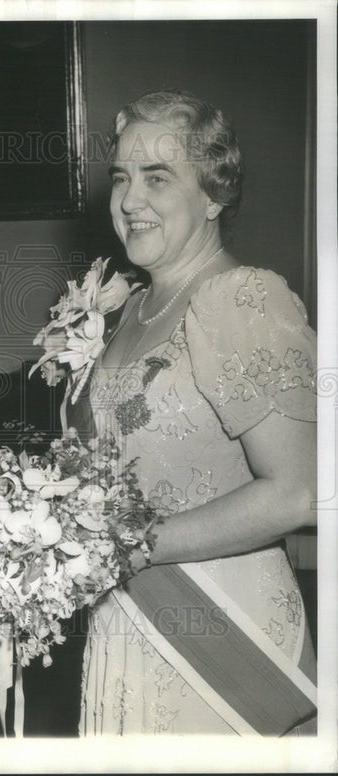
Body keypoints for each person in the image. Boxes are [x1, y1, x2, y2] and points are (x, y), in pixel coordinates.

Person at [70, 90, 317, 735]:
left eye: (158, 177)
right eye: (121, 177)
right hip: (128, 615)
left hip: (222, 634)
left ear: (214, 194)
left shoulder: (241, 299)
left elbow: (300, 492)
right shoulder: (129, 308)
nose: (129, 200)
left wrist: (130, 546)